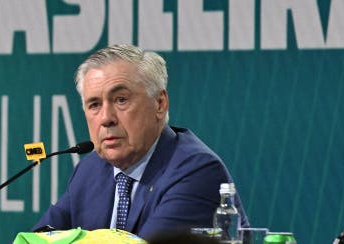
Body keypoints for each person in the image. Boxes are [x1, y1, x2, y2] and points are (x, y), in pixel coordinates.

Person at [33, 44, 247, 241]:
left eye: (121, 100)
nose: (106, 118)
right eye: (94, 104)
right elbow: (37, 239)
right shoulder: (90, 171)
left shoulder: (197, 171)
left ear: (160, 104)